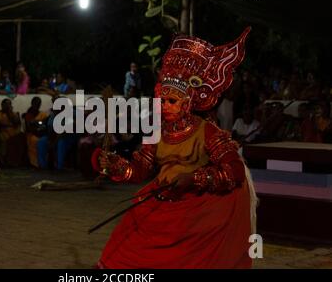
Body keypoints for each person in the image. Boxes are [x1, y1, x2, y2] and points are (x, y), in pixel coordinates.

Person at [91, 28, 257, 269]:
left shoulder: (206, 131)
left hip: (195, 205)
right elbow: (140, 168)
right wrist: (115, 164)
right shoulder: (157, 131)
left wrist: (195, 177)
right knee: (124, 243)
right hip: (161, 197)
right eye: (162, 100)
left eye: (172, 101)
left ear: (187, 102)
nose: (165, 106)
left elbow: (234, 171)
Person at [0, 99, 25, 167]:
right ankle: (3, 160)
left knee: (20, 138)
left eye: (9, 104)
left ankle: (17, 162)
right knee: (3, 139)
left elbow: (17, 124)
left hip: (14, 132)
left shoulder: (14, 113)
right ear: (2, 105)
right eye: (5, 104)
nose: (7, 106)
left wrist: (10, 113)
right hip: (3, 132)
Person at [24, 97, 48, 168]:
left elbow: (44, 126)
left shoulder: (42, 114)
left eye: (38, 104)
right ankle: (34, 163)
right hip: (31, 134)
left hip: (41, 134)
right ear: (32, 104)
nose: (37, 106)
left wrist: (36, 124)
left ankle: (42, 163)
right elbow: (29, 128)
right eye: (35, 104)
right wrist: (37, 126)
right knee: (34, 140)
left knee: (42, 141)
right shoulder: (28, 114)